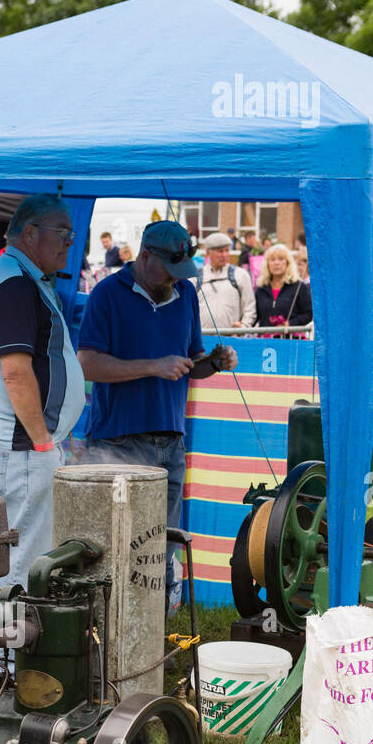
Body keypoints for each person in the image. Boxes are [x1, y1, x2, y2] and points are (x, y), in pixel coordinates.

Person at [76, 219, 237, 605]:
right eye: (170, 269)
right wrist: (153, 365)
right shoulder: (106, 294)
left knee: (160, 551)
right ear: (145, 256)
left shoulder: (183, 294)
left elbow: (188, 362)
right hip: (119, 442)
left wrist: (213, 362)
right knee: (114, 549)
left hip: (171, 444)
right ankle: (107, 634)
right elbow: (88, 365)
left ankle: (156, 635)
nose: (175, 279)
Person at [0, 193, 86, 604]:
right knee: (20, 566)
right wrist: (41, 442)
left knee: (22, 562)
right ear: (30, 233)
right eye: (63, 232)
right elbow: (16, 372)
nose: (70, 241)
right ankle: (4, 666)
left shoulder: (19, 276)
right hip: (21, 450)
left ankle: (7, 663)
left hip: (21, 448)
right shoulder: (14, 282)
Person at [195, 231, 256, 331]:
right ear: (208, 253)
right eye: (220, 251)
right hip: (202, 339)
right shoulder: (195, 277)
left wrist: (243, 328)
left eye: (227, 250)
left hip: (232, 340)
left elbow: (250, 307)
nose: (224, 255)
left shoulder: (240, 275)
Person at [254, 245, 312, 331]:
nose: (276, 263)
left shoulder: (299, 287)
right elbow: (254, 315)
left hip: (291, 340)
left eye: (281, 259)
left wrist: (290, 324)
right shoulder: (261, 289)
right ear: (267, 264)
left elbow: (309, 313)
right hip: (265, 341)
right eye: (272, 260)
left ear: (287, 263)